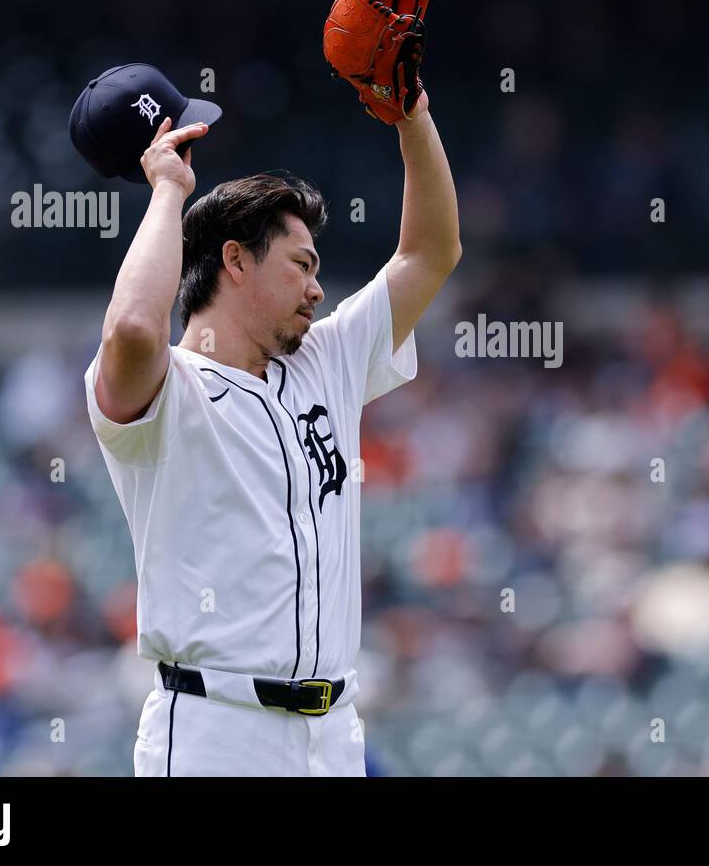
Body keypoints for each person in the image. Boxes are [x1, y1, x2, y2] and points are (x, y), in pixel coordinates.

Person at [84, 85, 459, 776]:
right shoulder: (166, 390)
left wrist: (413, 116)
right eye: (302, 264)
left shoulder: (326, 362)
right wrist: (168, 189)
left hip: (334, 733)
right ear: (235, 261)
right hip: (216, 734)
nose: (318, 289)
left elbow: (431, 253)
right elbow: (135, 326)